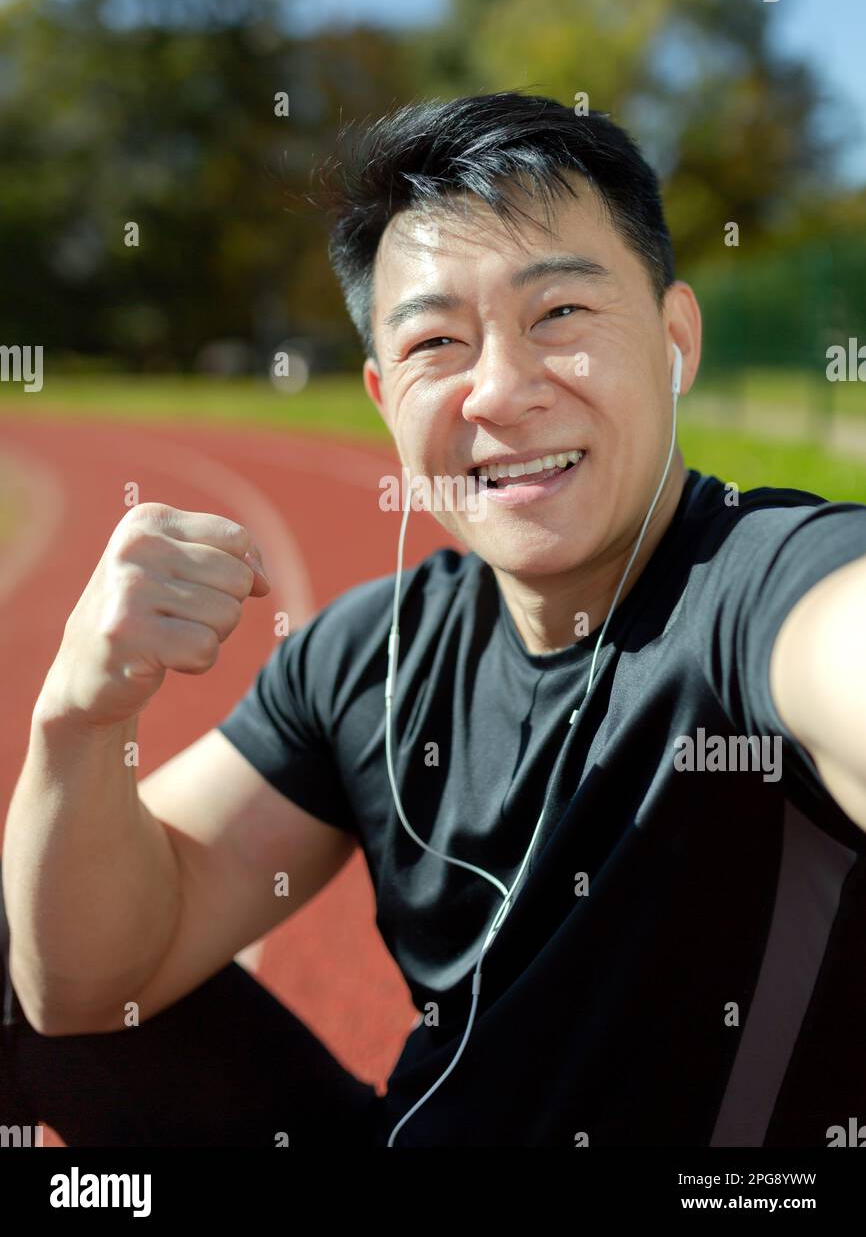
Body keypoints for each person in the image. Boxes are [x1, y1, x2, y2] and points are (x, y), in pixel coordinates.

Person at [3, 91, 866, 1149]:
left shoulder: (760, 586)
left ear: (674, 339)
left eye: (559, 314)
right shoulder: (371, 653)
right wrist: (77, 723)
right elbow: (89, 986)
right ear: (380, 393)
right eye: (435, 343)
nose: (498, 391)